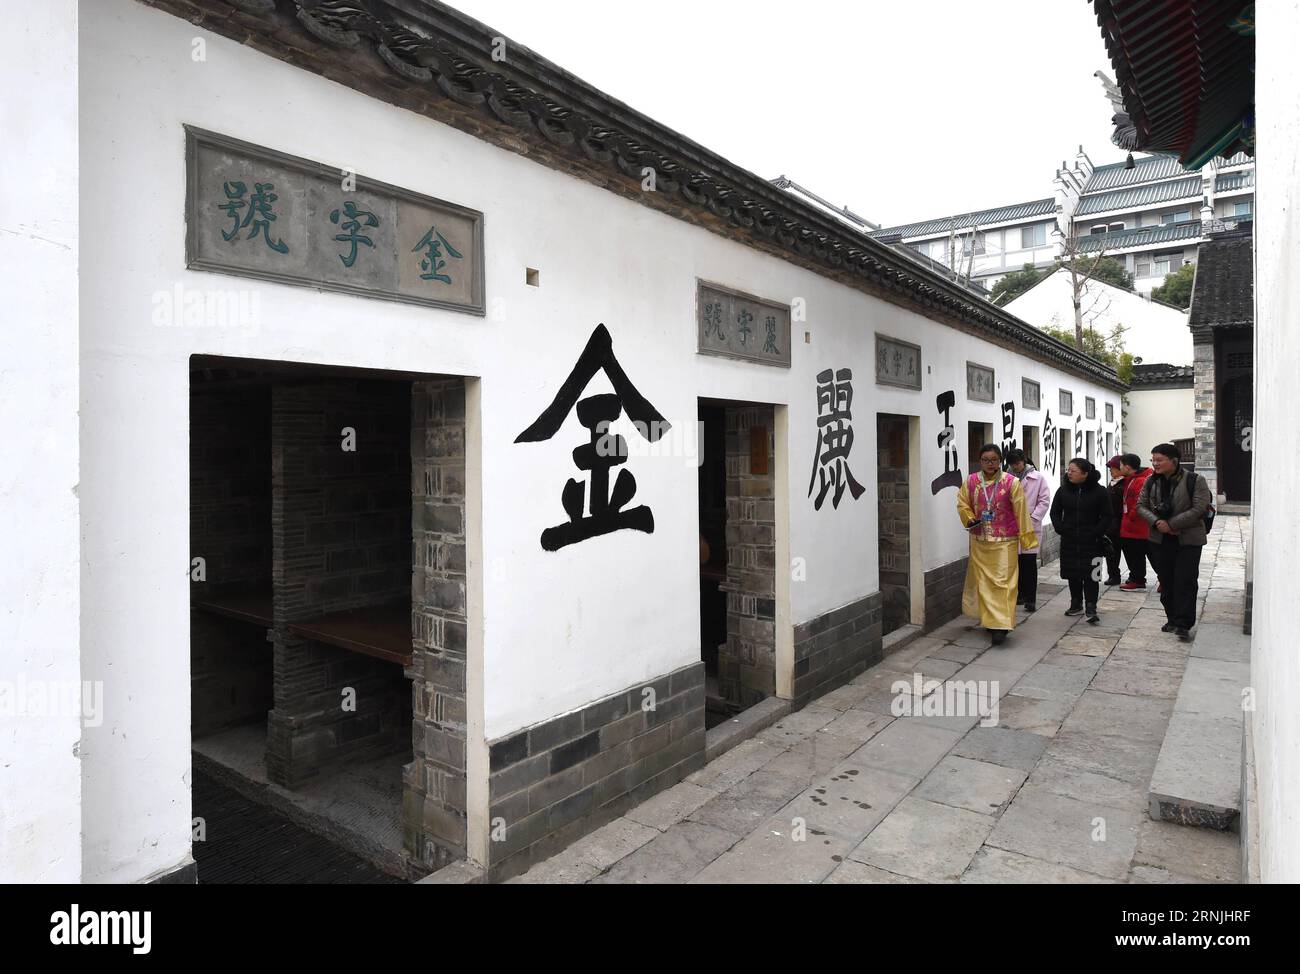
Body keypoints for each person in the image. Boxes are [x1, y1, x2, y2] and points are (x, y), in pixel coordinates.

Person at [956, 444, 1037, 646]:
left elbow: (1021, 509)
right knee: (983, 582)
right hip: (980, 539)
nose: (989, 464)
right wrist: (969, 519)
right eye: (985, 460)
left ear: (999, 461)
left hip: (1005, 541)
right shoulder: (972, 481)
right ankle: (990, 621)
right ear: (980, 461)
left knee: (1003, 583)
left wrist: (1027, 537)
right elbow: (962, 503)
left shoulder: (1011, 482)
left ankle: (1001, 625)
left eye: (993, 460)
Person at [1137, 443, 1213, 640]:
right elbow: (1141, 506)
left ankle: (1184, 623)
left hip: (1188, 540)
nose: (1155, 464)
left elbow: (1199, 508)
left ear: (1174, 460)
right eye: (1153, 460)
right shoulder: (1151, 481)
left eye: (1159, 460)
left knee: (1185, 580)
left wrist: (1172, 524)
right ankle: (1171, 617)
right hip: (1160, 539)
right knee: (1166, 581)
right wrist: (1157, 522)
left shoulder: (1195, 481)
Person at [1049, 457, 1110, 624]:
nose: (1069, 473)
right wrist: (1060, 528)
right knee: (1072, 572)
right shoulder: (1063, 491)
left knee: (1092, 574)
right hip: (1069, 539)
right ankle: (1075, 603)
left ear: (1085, 473)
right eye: (1068, 470)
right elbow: (1054, 512)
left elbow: (1107, 516)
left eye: (1073, 470)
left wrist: (1096, 532)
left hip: (1093, 540)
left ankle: (1091, 606)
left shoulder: (1100, 491)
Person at [1007, 448, 1050, 613]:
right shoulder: (1006, 478)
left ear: (1024, 461)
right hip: (1012, 527)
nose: (1015, 466)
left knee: (1029, 564)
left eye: (1017, 463)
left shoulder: (1037, 478)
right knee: (1015, 564)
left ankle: (1031, 599)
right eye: (1012, 464)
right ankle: (1019, 594)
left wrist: (1032, 519)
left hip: (1030, 527)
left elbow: (1044, 500)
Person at [1117, 453, 1152, 590]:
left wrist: (1131, 516)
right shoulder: (1130, 479)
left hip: (1138, 526)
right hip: (1131, 526)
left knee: (1141, 555)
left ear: (1127, 466)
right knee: (1134, 555)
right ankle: (1136, 578)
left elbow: (1139, 503)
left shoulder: (1141, 480)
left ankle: (1140, 579)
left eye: (1120, 465)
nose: (1119, 468)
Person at [1104, 456, 1125, 586]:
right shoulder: (1113, 482)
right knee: (1111, 552)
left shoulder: (1126, 483)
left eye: (1113, 468)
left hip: (1123, 522)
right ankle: (1113, 575)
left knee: (1132, 553)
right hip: (1111, 523)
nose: (1111, 471)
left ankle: (1137, 577)